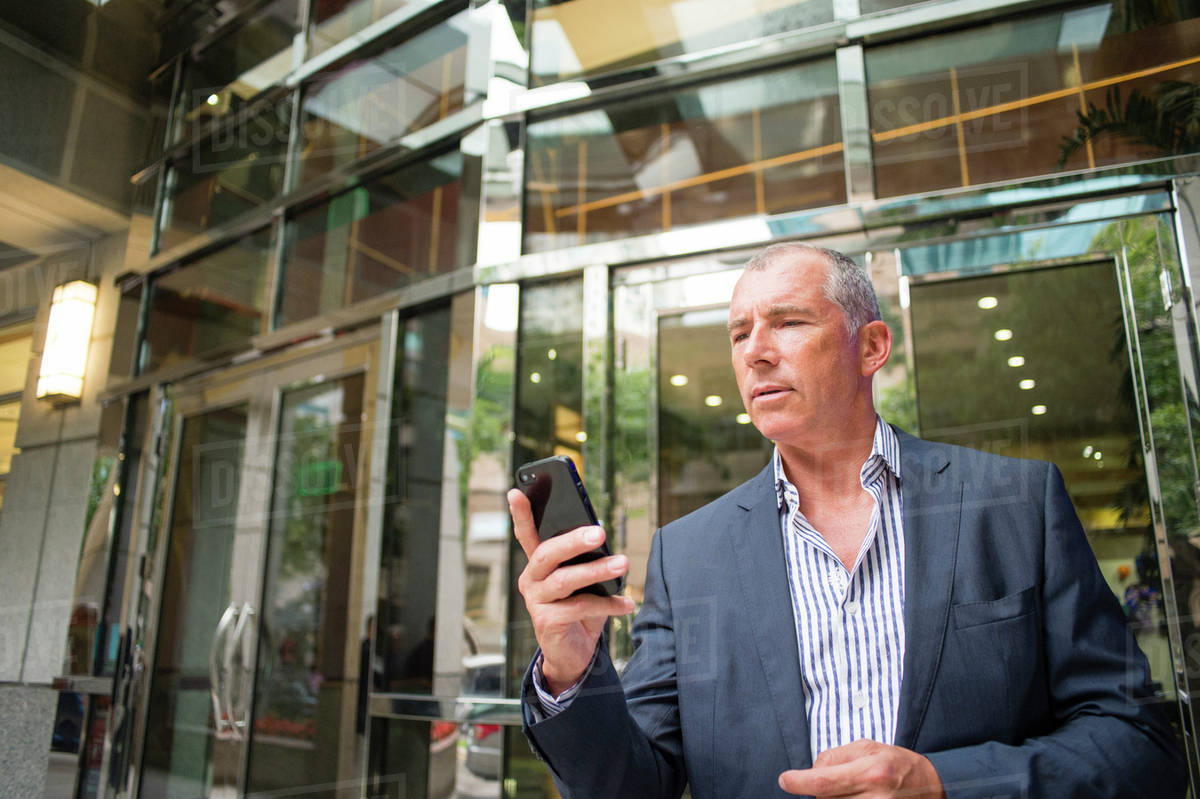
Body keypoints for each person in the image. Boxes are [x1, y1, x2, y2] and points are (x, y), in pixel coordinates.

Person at [507, 243, 1186, 798]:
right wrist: (570, 672)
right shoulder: (691, 554)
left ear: (871, 347)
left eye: (789, 321)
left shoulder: (1015, 502)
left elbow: (1139, 742)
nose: (755, 350)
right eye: (740, 332)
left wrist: (944, 782)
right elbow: (632, 786)